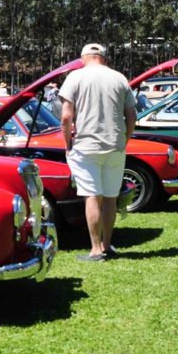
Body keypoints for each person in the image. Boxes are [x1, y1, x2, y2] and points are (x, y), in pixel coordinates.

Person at [59, 43, 137, 261]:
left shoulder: (75, 77)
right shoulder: (119, 78)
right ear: (103, 57)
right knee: (111, 197)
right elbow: (132, 116)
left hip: (86, 146)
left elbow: (66, 116)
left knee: (92, 195)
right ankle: (108, 244)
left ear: (84, 57)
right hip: (115, 145)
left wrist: (67, 144)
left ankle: (95, 250)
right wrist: (125, 139)